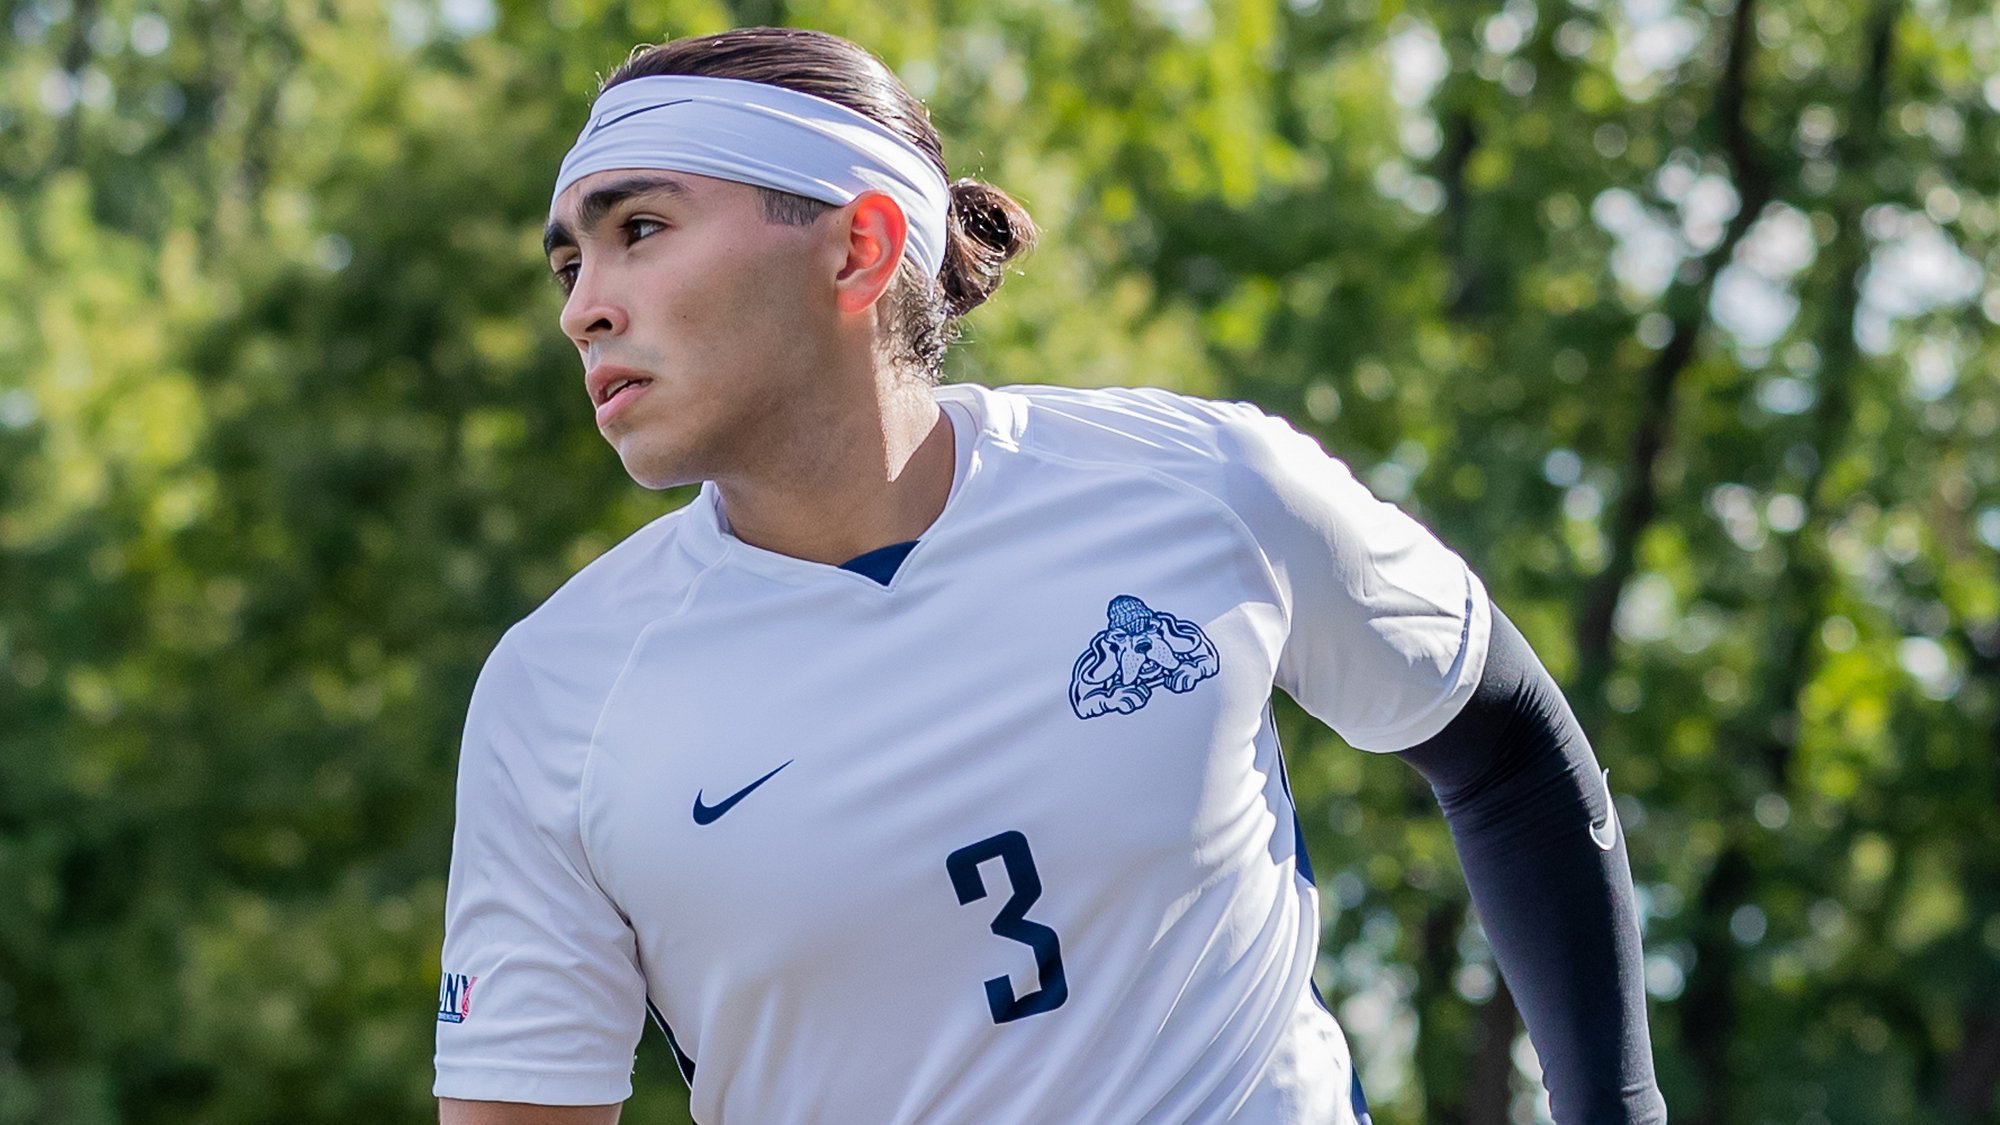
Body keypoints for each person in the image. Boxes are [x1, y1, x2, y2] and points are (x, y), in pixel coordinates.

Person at [433, 25, 1666, 1125]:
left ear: (858, 248)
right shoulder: (556, 693)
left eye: (638, 231)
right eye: (568, 267)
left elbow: (1499, 743)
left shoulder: (1206, 490)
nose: (582, 310)